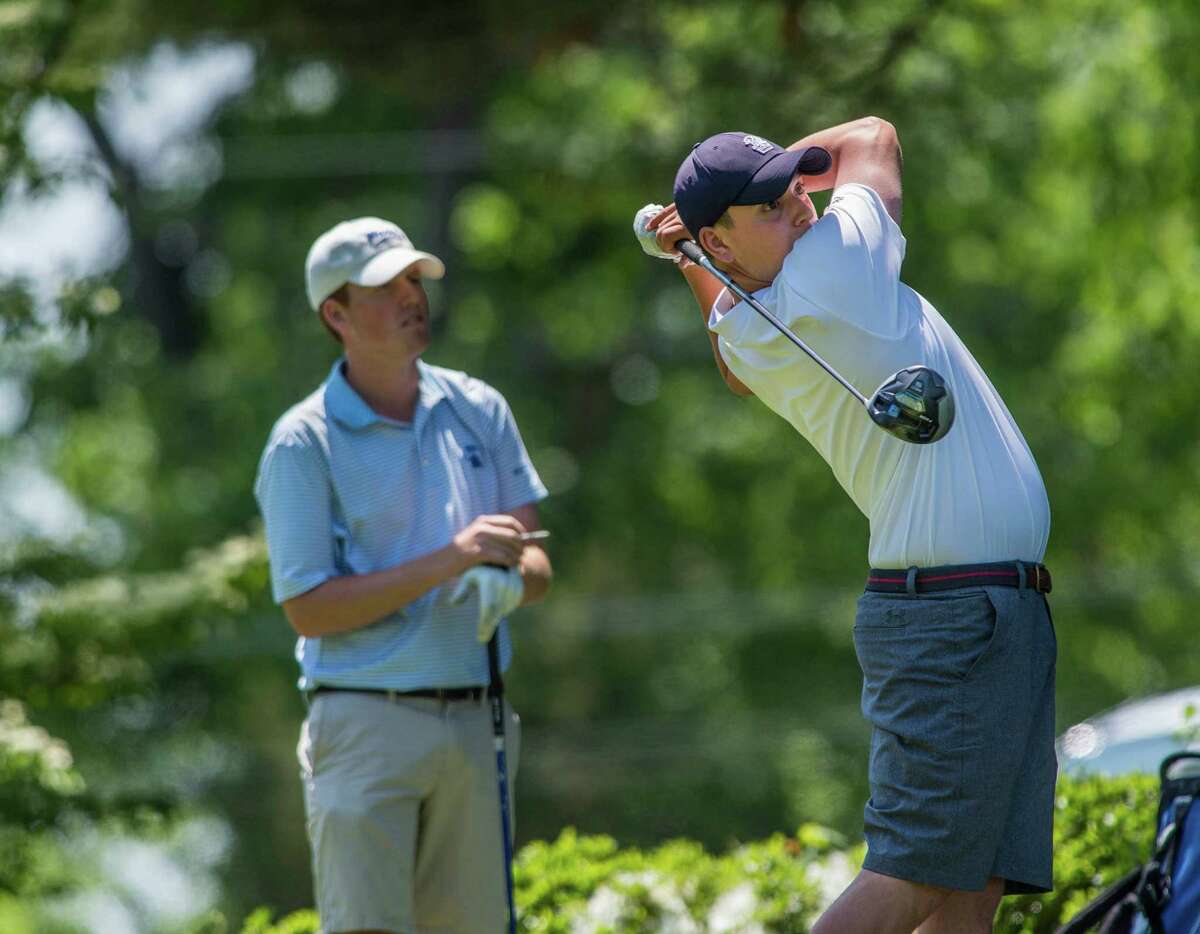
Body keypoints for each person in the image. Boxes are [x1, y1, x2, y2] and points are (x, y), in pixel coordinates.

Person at [638, 119, 1055, 934]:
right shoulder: (836, 265)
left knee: (971, 886)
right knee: (909, 879)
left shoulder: (752, 327)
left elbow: (730, 351)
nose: (796, 202)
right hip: (955, 615)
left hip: (981, 609)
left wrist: (694, 246)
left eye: (794, 183)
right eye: (766, 205)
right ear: (722, 243)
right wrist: (708, 228)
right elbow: (874, 136)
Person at [254, 216, 552, 934]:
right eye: (387, 287)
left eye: (415, 279)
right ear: (336, 313)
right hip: (363, 722)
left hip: (478, 718)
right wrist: (452, 560)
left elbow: (537, 557)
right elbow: (309, 608)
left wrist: (511, 577)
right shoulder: (302, 442)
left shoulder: (479, 409)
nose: (412, 296)